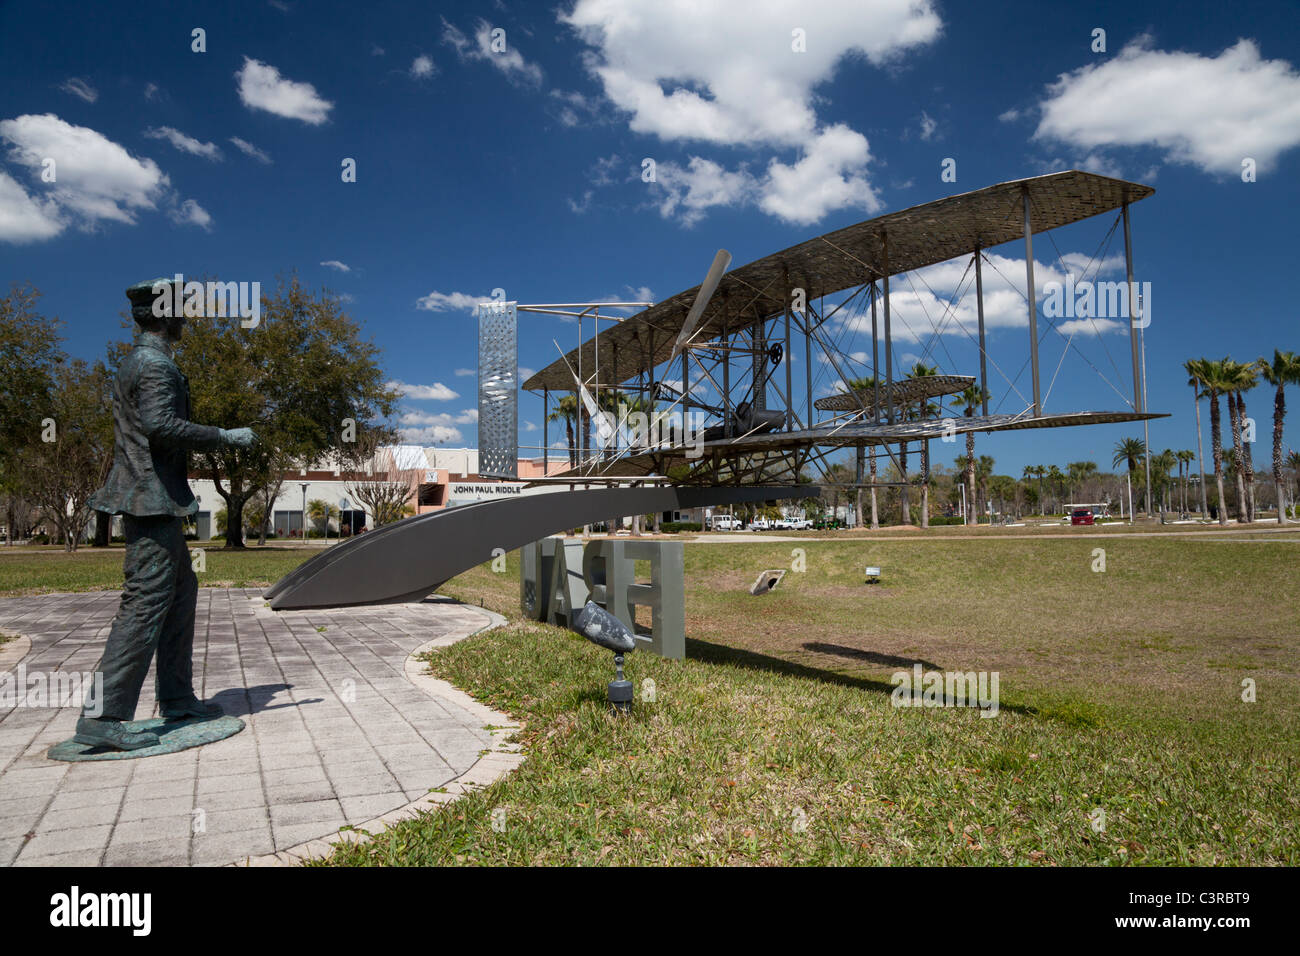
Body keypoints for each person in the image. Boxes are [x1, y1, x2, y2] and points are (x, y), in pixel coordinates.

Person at [75, 279, 258, 751]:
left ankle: (177, 697)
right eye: (181, 311)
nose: (187, 319)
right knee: (144, 605)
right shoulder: (154, 364)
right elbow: (161, 426)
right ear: (165, 316)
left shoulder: (146, 360)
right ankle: (102, 716)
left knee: (180, 594)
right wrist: (224, 435)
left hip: (155, 499)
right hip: (149, 499)